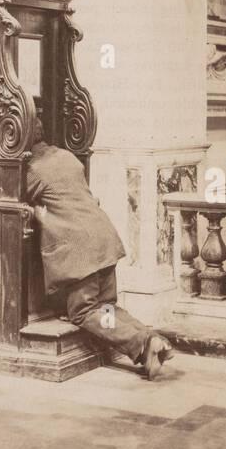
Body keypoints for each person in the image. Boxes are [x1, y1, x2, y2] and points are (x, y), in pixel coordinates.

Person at [25, 123, 174, 379]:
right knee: (106, 306)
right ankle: (152, 340)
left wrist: (35, 213)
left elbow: (11, 200)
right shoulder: (67, 156)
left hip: (80, 250)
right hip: (104, 239)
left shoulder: (33, 170)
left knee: (85, 312)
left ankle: (145, 343)